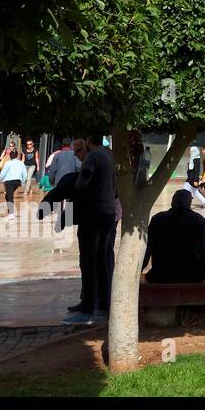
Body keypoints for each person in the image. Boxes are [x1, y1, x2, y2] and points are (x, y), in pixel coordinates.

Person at [66, 134, 117, 325]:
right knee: (101, 261)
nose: (77, 155)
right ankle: (102, 305)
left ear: (87, 140)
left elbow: (82, 180)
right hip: (107, 213)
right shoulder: (109, 154)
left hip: (93, 215)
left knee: (89, 261)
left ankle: (87, 309)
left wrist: (75, 186)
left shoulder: (93, 157)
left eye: (78, 150)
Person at [143, 190, 205, 284]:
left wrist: (139, 270)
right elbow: (201, 249)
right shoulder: (198, 220)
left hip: (162, 271)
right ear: (189, 203)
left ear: (172, 202)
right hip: (190, 271)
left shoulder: (157, 219)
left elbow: (149, 248)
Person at [0, 149, 28, 218]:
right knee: (8, 195)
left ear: (10, 156)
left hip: (9, 182)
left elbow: (3, 172)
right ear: (17, 156)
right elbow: (25, 174)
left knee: (9, 196)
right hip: (17, 181)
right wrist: (22, 182)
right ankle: (9, 212)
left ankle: (11, 214)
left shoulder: (8, 163)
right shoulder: (21, 163)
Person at [182, 145, 205, 209]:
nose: (190, 152)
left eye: (191, 151)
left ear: (194, 151)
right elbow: (191, 169)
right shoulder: (193, 159)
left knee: (185, 191)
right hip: (190, 178)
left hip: (192, 179)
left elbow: (197, 171)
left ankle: (184, 204)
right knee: (194, 192)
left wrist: (195, 180)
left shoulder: (196, 160)